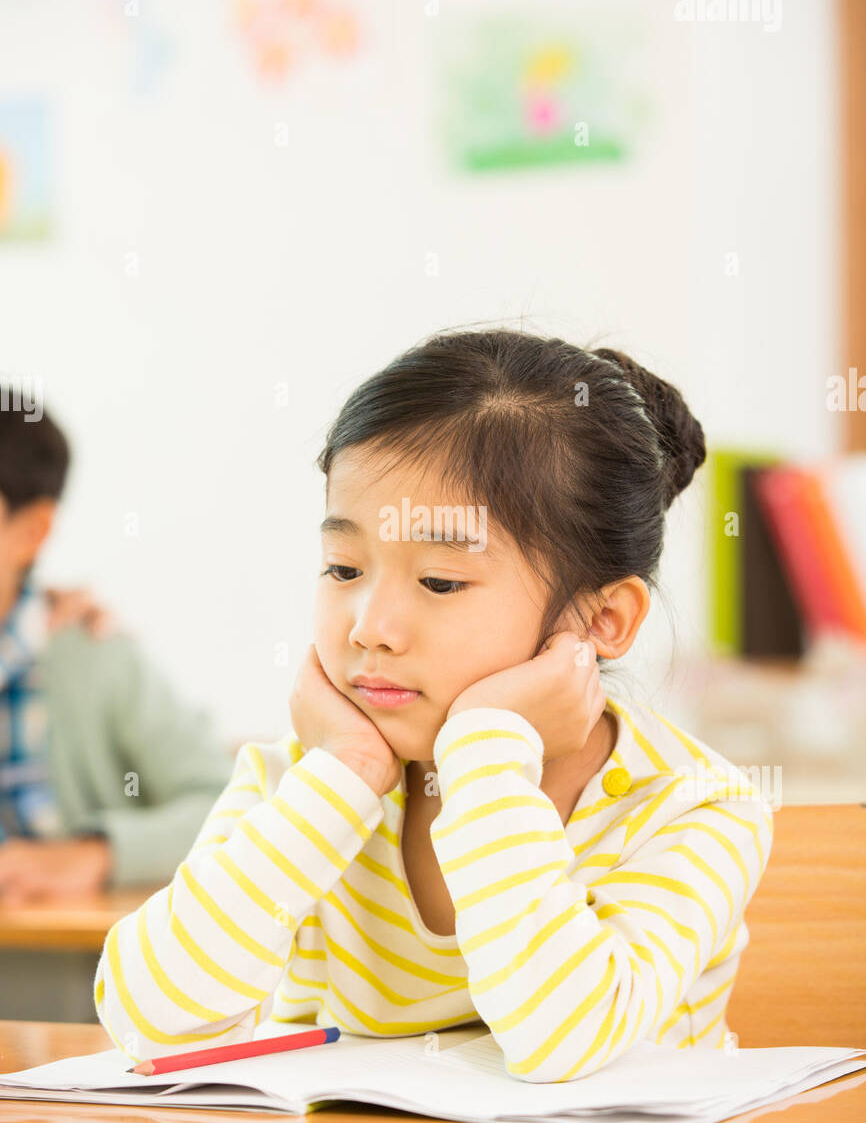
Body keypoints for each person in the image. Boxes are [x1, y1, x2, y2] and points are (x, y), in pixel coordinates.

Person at [94, 327, 774, 1083]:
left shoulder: (692, 807)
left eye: (441, 582)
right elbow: (148, 1026)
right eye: (343, 567)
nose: (369, 628)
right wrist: (344, 778)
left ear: (602, 621)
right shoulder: (305, 781)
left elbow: (563, 1040)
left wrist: (485, 750)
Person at [0, 401, 233, 902]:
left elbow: (228, 803)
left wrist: (95, 854)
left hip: (53, 963)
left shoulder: (95, 655)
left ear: (32, 530)